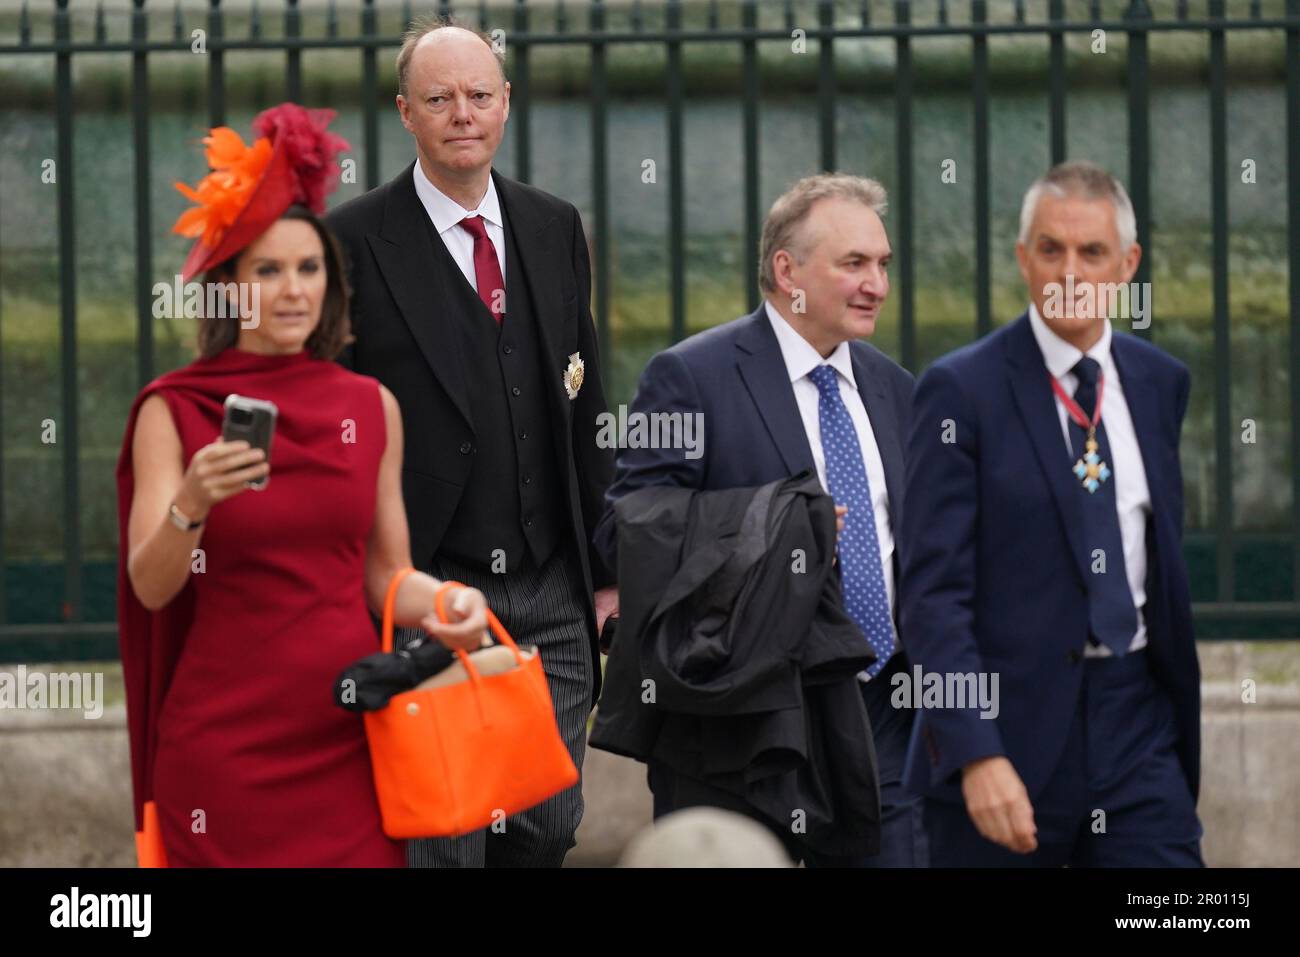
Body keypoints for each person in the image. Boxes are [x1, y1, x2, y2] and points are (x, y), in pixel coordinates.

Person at [116, 103, 492, 867]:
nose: (292, 291)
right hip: (221, 746)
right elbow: (150, 587)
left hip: (348, 727)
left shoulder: (370, 406)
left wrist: (450, 601)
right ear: (228, 287)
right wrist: (192, 502)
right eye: (268, 271)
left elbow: (384, 574)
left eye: (309, 268)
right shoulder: (174, 408)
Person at [326, 20, 617, 868]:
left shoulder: (553, 225)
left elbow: (587, 402)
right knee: (443, 834)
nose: (463, 113)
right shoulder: (349, 242)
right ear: (405, 113)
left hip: (552, 586)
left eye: (479, 95)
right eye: (440, 98)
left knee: (548, 824)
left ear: (506, 106)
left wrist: (606, 576)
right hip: (432, 581)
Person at [593, 173, 925, 867]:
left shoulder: (896, 388)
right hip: (738, 722)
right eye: (854, 264)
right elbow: (629, 526)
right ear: (787, 270)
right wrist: (777, 525)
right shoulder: (690, 375)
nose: (877, 284)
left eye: (883, 264)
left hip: (882, 721)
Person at [899, 160, 1203, 867]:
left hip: (1136, 726)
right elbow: (931, 596)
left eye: (1092, 252)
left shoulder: (1159, 384)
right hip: (1007, 729)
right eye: (1051, 249)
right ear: (1022, 258)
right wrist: (975, 751)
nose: (1070, 269)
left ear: (1126, 265)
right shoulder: (960, 391)